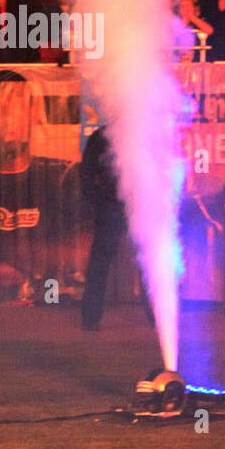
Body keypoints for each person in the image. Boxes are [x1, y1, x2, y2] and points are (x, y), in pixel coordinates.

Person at [80, 125, 125, 332]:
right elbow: (86, 174)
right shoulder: (102, 136)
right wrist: (100, 202)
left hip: (141, 207)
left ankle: (158, 316)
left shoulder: (147, 131)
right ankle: (91, 317)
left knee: (151, 261)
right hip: (111, 206)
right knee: (99, 264)